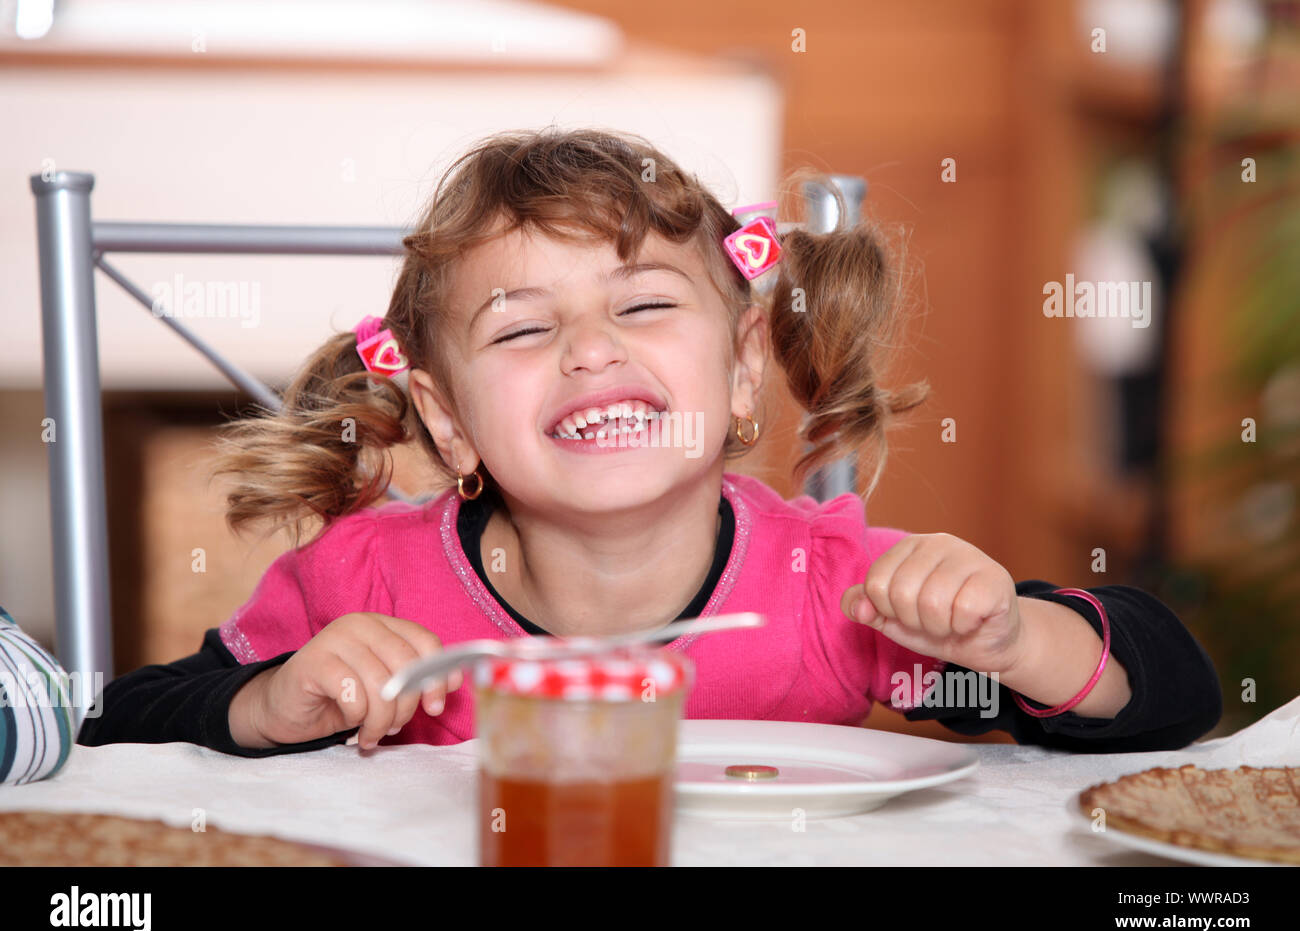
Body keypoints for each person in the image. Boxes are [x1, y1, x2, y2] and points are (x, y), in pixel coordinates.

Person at [77, 127, 1221, 758]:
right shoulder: (362, 580)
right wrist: (265, 701)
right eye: (522, 325)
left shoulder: (836, 593)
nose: (588, 348)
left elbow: (1167, 692)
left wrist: (1018, 636)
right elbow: (122, 719)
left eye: (643, 306)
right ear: (446, 417)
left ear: (735, 373)